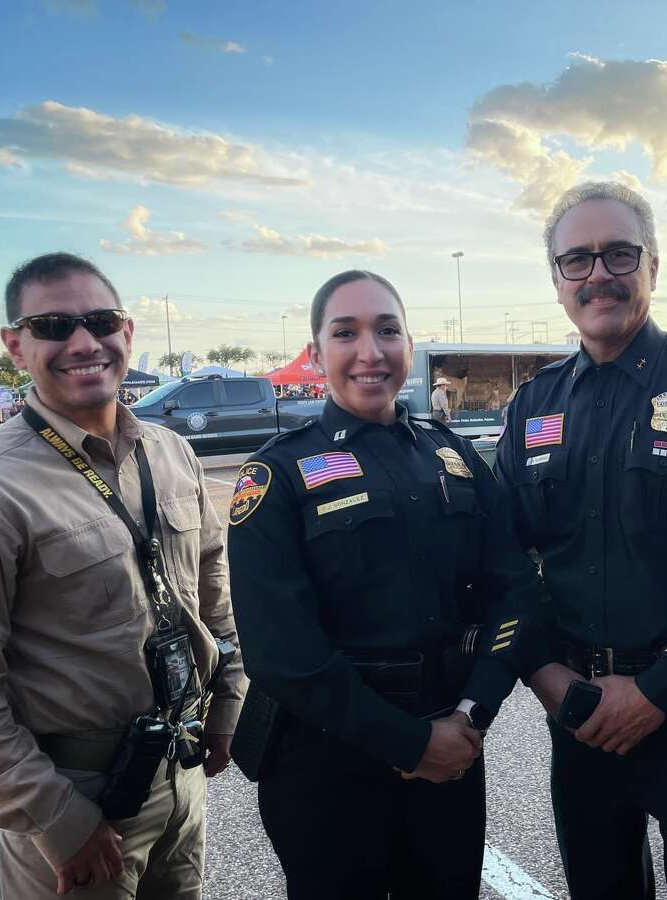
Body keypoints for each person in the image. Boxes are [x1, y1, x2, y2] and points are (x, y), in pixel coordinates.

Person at [0, 252, 246, 899]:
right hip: (72, 793)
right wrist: (57, 819)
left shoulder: (171, 453)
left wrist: (228, 701)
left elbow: (213, 591)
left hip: (179, 770)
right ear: (15, 346)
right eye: (52, 326)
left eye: (100, 321)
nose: (82, 342)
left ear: (127, 332)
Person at [227, 270, 549, 899]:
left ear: (409, 344)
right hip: (329, 766)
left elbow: (516, 593)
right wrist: (410, 744)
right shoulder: (277, 474)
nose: (370, 352)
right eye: (345, 333)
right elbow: (279, 653)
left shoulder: (453, 457)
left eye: (387, 330)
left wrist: (472, 715)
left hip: (452, 750)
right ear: (316, 353)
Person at [497, 181, 667, 899]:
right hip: (579, 715)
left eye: (619, 254)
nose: (598, 274)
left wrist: (658, 690)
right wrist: (546, 677)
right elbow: (502, 561)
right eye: (577, 259)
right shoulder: (533, 405)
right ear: (557, 280)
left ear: (653, 263)